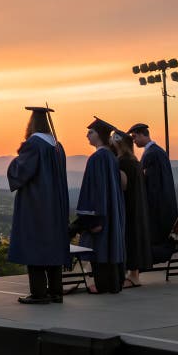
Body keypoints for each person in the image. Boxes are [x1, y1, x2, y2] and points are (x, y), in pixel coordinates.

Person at [7, 106, 70, 305]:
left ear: (32, 123)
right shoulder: (57, 146)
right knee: (52, 246)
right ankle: (56, 292)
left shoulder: (34, 144)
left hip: (36, 205)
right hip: (56, 205)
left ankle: (39, 293)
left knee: (33, 245)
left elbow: (20, 171)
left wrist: (14, 162)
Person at [72, 117, 126, 294]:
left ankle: (103, 284)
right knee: (110, 247)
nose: (87, 135)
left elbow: (95, 190)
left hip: (101, 213)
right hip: (110, 212)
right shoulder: (111, 157)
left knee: (101, 248)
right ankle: (113, 283)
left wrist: (94, 220)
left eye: (91, 132)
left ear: (100, 135)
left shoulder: (97, 158)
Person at [128, 123, 178, 264]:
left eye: (134, 137)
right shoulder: (158, 152)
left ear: (141, 134)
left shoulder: (152, 154)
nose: (133, 140)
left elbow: (153, 185)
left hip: (158, 206)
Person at [112, 129, 153, 287]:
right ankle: (132, 275)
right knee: (134, 237)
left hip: (128, 206)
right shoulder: (134, 161)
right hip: (137, 206)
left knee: (130, 238)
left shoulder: (122, 162)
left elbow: (123, 185)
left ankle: (133, 276)